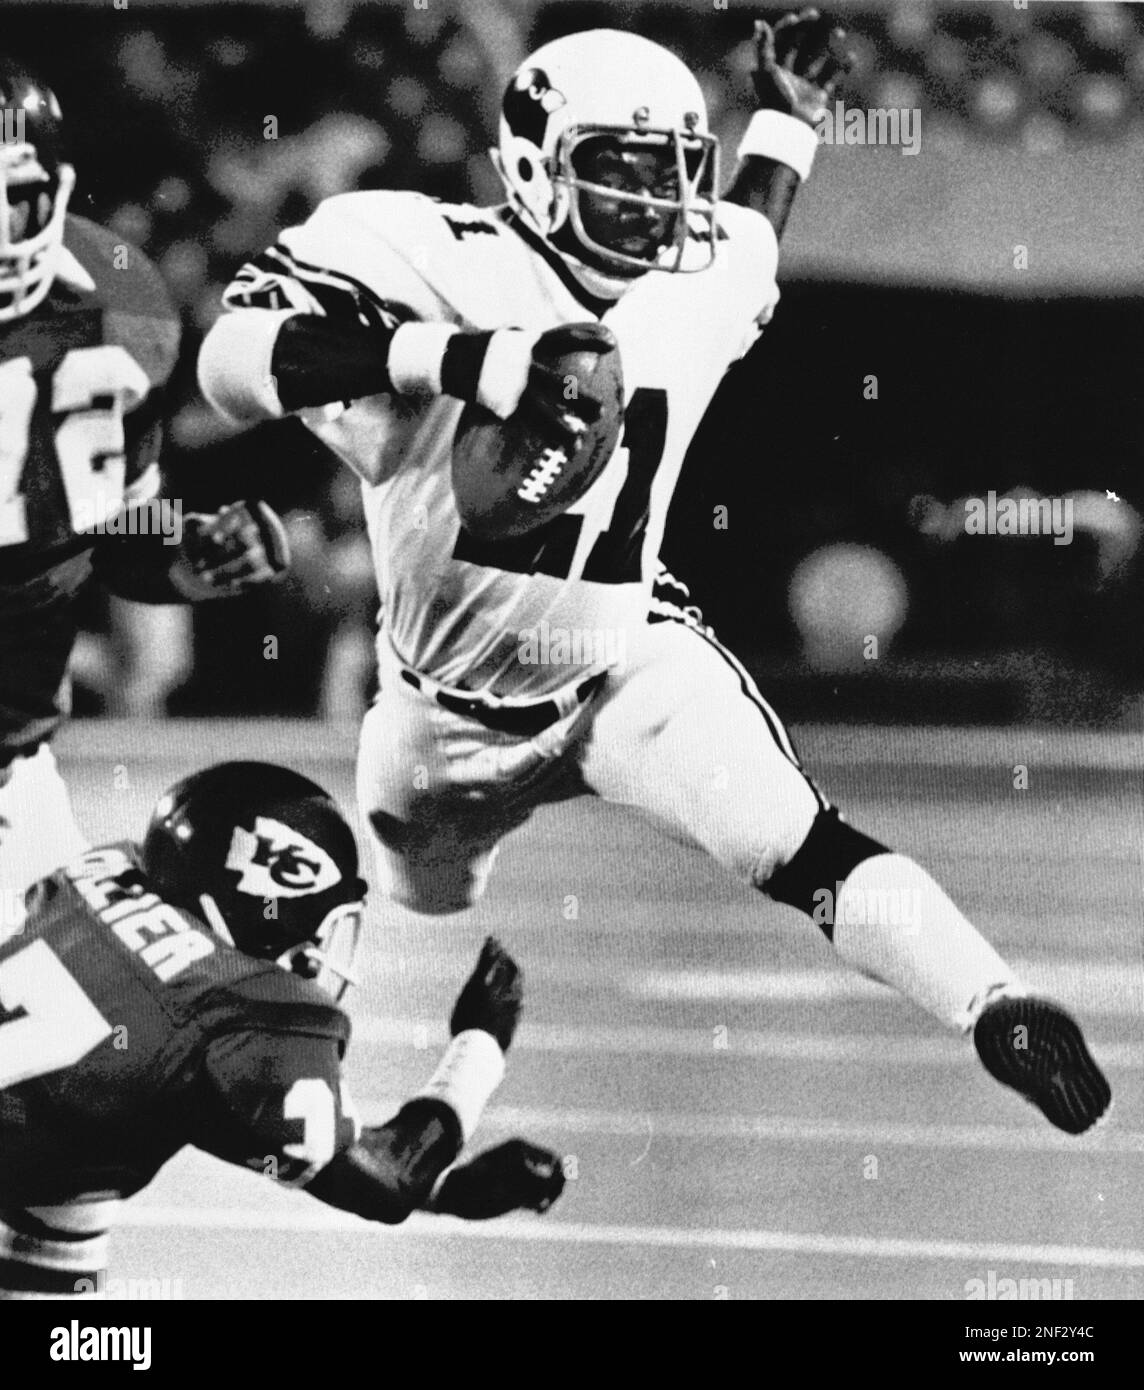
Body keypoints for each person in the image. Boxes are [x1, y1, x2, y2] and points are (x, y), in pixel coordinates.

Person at [198, 13, 1110, 1136]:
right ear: (532, 165)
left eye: (677, 174)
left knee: (799, 843)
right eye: (619, 175)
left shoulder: (700, 270)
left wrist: (788, 120)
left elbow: (750, 227)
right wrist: (458, 359)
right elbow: (229, 361)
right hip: (439, 716)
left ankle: (992, 1001)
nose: (656, 206)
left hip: (626, 662)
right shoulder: (426, 253)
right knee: (426, 896)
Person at [0, 759, 564, 1298]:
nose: (318, 952)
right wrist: (481, 1044)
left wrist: (445, 1192)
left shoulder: (94, 874)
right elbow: (387, 1179)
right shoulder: (245, 1016)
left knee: (88, 1156)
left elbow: (157, 1097)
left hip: (34, 1175)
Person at [0, 57, 289, 905]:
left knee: (112, 1015)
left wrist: (181, 556)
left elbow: (114, 528)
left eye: (6, 198)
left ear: (53, 192)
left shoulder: (116, 308)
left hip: (10, 772)